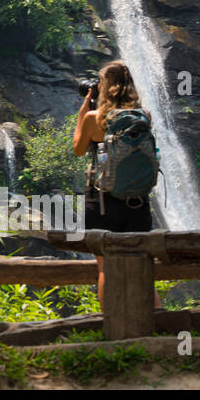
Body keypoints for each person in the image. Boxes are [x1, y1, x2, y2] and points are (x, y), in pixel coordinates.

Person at [71, 60, 159, 309]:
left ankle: (112, 327)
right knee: (141, 264)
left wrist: (85, 107)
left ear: (103, 87)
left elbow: (78, 149)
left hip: (102, 203)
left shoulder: (93, 118)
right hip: (137, 202)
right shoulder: (144, 116)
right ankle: (161, 321)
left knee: (105, 267)